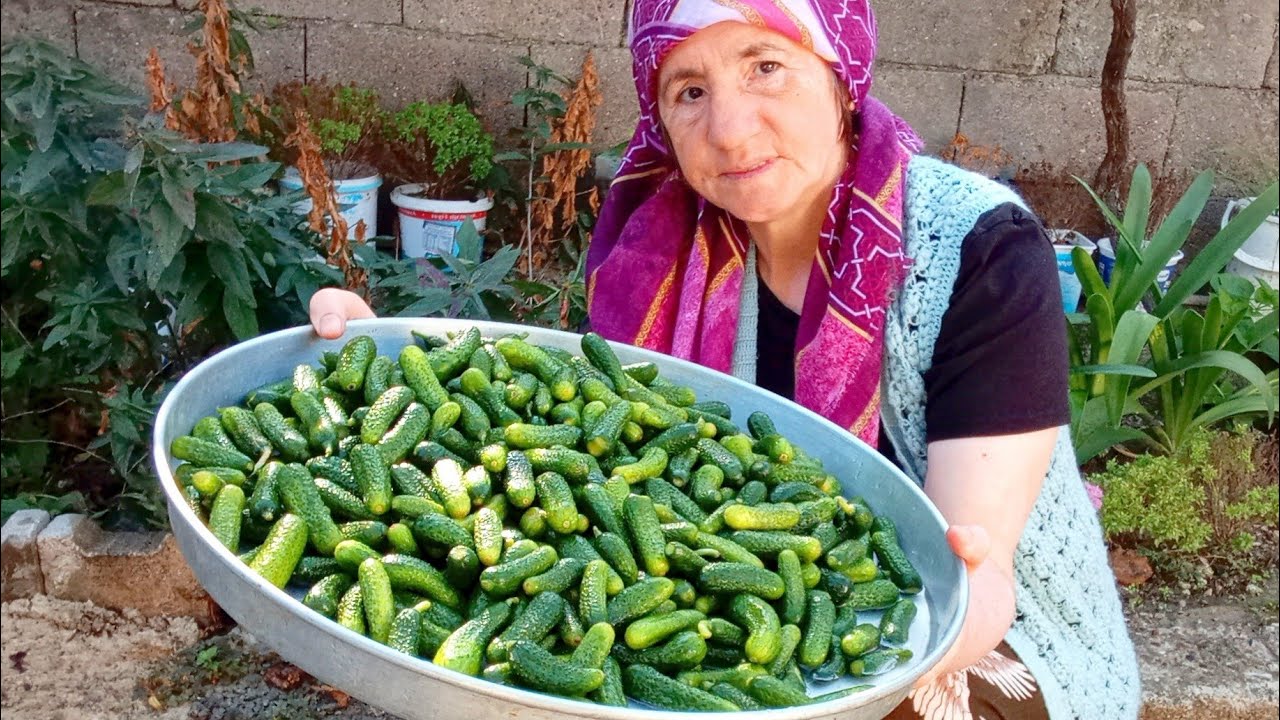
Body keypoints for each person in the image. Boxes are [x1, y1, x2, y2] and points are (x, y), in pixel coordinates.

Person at [309, 1, 1140, 717]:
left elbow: (977, 587)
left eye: (766, 67)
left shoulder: (978, 249)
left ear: (839, 71)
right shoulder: (657, 250)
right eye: (690, 91)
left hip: (975, 641)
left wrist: (798, 687)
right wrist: (388, 375)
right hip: (728, 627)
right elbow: (584, 430)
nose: (730, 130)